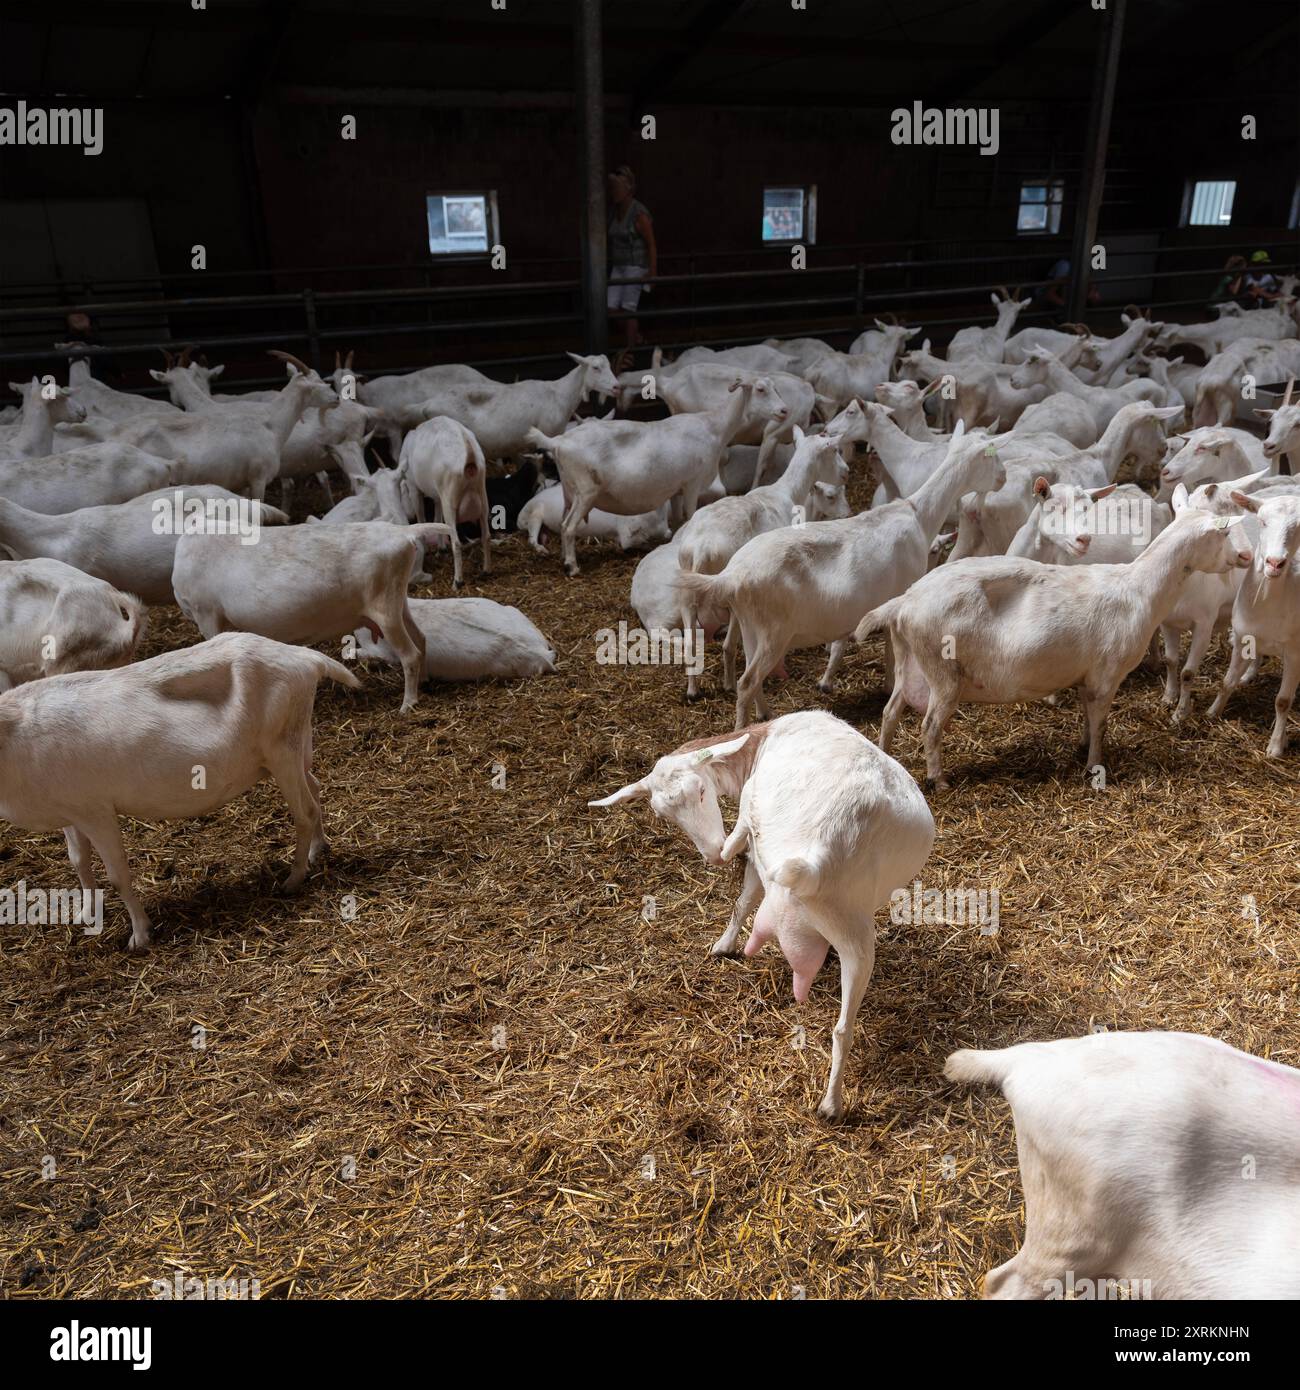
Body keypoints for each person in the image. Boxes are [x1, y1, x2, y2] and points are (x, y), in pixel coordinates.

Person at [606, 165, 657, 370]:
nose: (614, 192)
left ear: (628, 189)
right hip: (619, 266)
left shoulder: (639, 213)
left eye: (618, 188)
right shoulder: (614, 211)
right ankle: (635, 337)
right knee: (609, 308)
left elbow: (651, 243)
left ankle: (630, 352)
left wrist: (652, 271)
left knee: (628, 308)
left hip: (635, 266)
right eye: (613, 188)